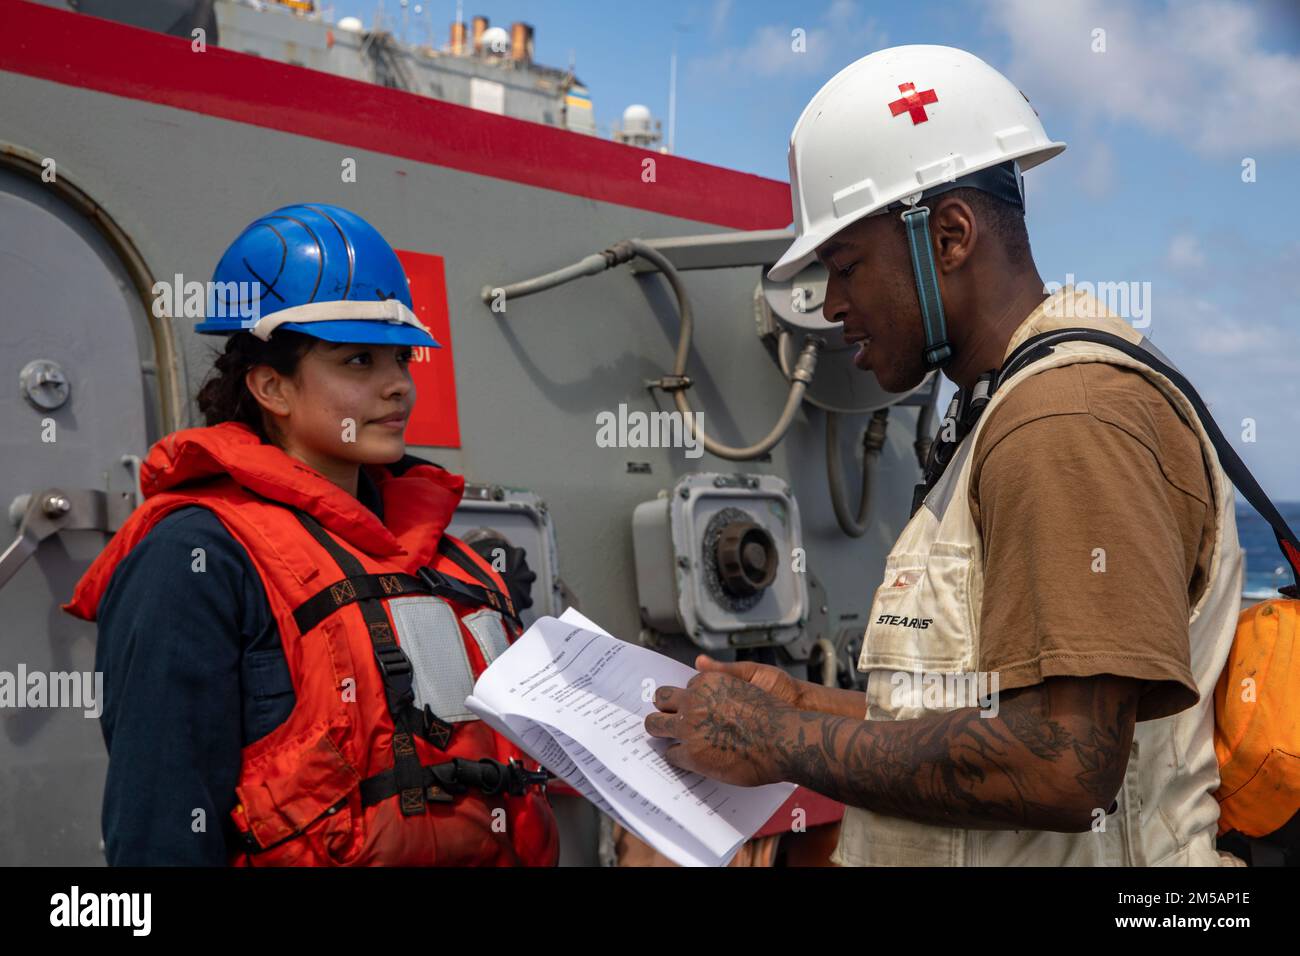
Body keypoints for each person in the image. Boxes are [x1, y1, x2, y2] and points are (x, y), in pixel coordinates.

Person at [645, 45, 1245, 866]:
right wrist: (807, 709)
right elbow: (992, 717)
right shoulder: (1005, 408)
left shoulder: (1064, 417)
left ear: (952, 236)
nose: (833, 305)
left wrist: (782, 740)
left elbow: (1065, 765)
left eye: (847, 266)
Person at [65, 203, 559, 866]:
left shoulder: (451, 556)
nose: (399, 389)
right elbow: (161, 831)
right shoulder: (194, 559)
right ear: (271, 386)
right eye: (359, 361)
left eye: (401, 360)